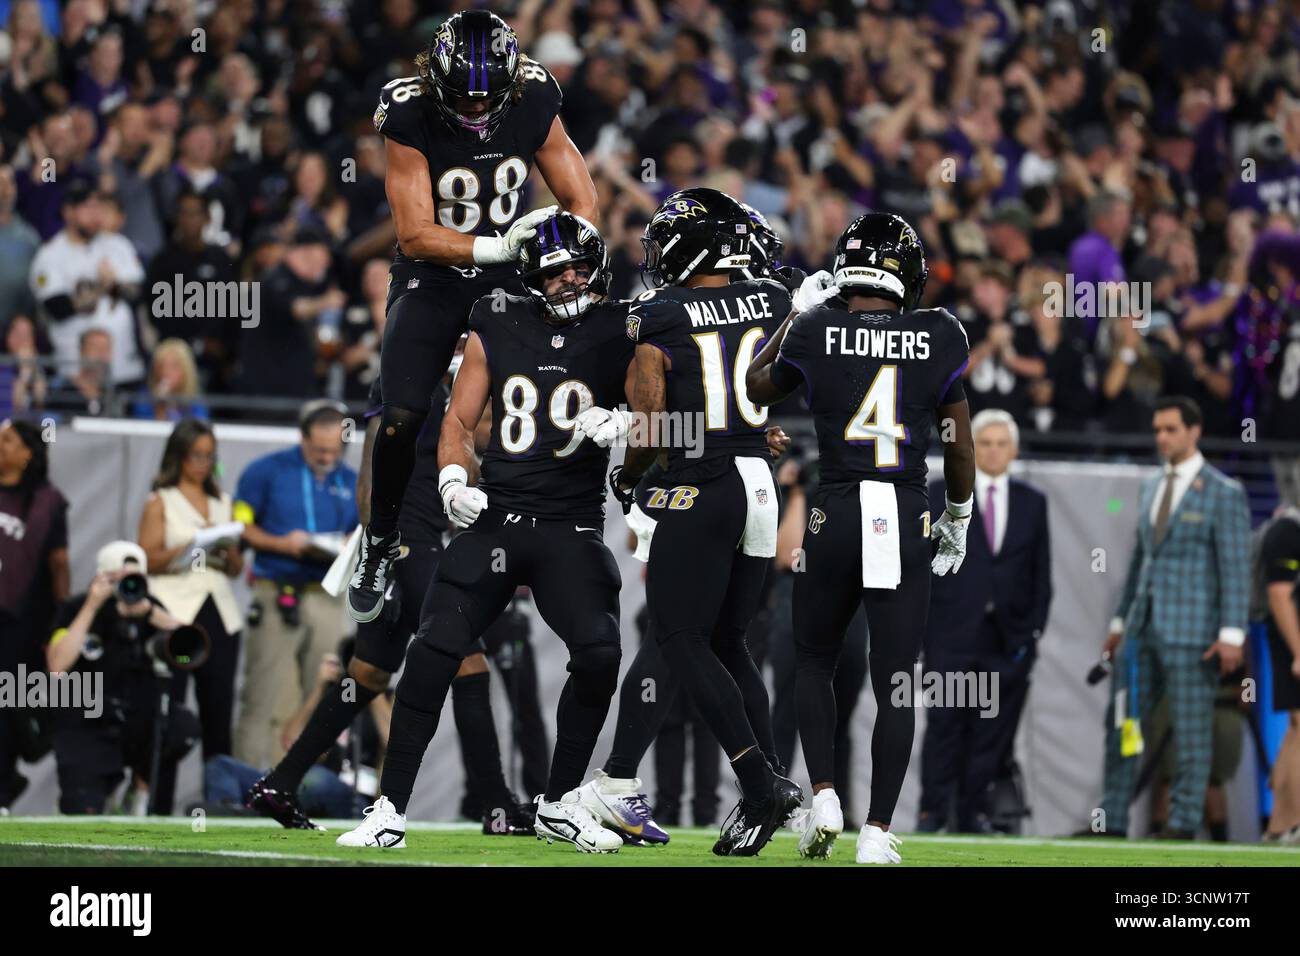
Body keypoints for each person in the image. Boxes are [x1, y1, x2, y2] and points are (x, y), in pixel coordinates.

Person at [339, 212, 629, 853]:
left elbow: (665, 405)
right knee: (435, 646)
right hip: (498, 513)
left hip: (570, 526)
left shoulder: (621, 327)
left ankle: (557, 802)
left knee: (601, 653)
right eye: (556, 272)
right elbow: (459, 420)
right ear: (532, 277)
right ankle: (388, 809)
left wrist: (633, 424)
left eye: (580, 268)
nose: (571, 280)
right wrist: (449, 479)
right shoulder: (496, 319)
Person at [348, 8, 599, 626]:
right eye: (462, 99)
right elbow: (412, 235)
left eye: (489, 102)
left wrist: (573, 249)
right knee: (404, 416)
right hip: (435, 270)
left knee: (552, 379)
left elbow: (580, 198)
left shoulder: (536, 93)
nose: (476, 114)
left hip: (508, 265)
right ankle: (380, 542)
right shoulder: (407, 111)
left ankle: (550, 524)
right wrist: (500, 245)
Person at [746, 212, 975, 863]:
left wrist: (794, 313)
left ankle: (822, 795)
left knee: (813, 660)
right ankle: (876, 832)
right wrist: (957, 515)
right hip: (903, 510)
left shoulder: (817, 326)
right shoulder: (939, 333)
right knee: (895, 676)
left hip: (837, 506)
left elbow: (754, 388)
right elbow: (959, 444)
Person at [246, 370, 531, 836]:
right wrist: (381, 556)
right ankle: (495, 805)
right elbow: (371, 474)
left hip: (408, 540)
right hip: (406, 544)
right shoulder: (408, 380)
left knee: (367, 675)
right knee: (469, 664)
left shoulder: (438, 386)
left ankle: (279, 783)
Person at [605, 187, 800, 857]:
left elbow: (653, 420)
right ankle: (776, 782)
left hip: (704, 481)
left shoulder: (658, 313)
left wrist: (629, 477)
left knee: (682, 636)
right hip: (759, 483)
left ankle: (758, 782)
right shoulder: (773, 298)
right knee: (729, 642)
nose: (656, 254)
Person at [1093, 396, 1251, 840]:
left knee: (1192, 730)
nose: (1162, 437)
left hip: (1194, 632)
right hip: (1141, 628)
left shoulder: (1225, 492)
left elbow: (1236, 568)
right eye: (1158, 430)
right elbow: (1139, 562)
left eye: (1170, 429)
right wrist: (1119, 624)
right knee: (1122, 722)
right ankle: (1113, 820)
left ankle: (1182, 824)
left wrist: (1232, 634)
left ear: (1194, 431)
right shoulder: (1151, 487)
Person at [918, 409, 1052, 834]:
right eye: (985, 443)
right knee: (944, 727)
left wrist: (1029, 638)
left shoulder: (1033, 502)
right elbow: (921, 570)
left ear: (1013, 449)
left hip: (1006, 642)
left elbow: (1040, 576)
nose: (993, 451)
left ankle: (974, 813)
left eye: (1001, 443)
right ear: (972, 449)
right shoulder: (940, 493)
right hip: (950, 636)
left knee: (991, 735)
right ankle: (933, 814)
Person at [231, 401, 359, 769]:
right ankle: (251, 783)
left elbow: (361, 532)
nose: (326, 456)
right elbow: (241, 526)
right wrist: (281, 543)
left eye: (334, 451)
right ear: (302, 437)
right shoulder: (265, 471)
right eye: (319, 449)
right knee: (267, 693)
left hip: (327, 595)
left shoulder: (350, 481)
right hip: (276, 590)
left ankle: (304, 785)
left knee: (320, 693)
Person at [45, 541, 201, 814]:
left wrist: (152, 614)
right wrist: (92, 606)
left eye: (135, 580)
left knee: (182, 727)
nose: (129, 588)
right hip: (87, 724)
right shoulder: (77, 608)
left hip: (138, 721)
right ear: (102, 576)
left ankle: (139, 790)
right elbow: (57, 666)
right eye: (121, 580)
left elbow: (192, 649)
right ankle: (99, 795)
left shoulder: (150, 609)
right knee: (81, 810)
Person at [137, 418, 243, 765]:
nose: (202, 464)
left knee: (218, 709)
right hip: (174, 610)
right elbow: (146, 559)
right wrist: (190, 545)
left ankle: (220, 798)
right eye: (195, 455)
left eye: (209, 456)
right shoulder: (161, 501)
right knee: (171, 710)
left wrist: (225, 548)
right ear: (178, 456)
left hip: (219, 612)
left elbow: (237, 568)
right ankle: (160, 803)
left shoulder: (222, 501)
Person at [0, 417, 69, 810]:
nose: (0, 447)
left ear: (28, 453)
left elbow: (59, 565)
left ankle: (4, 785)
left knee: (9, 704)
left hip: (18, 623)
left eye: (8, 441)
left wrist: (59, 624)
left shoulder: (46, 500)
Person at [28, 178, 145, 387]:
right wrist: (102, 286)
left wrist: (115, 285)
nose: (96, 214)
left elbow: (138, 294)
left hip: (123, 368)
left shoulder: (118, 245)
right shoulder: (50, 254)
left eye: (99, 207)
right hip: (74, 373)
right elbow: (57, 308)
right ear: (68, 212)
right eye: (88, 207)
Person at [1256, 504, 1300, 842]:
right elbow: (1278, 595)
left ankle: (1278, 828)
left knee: (1295, 731)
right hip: (1292, 639)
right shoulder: (1288, 530)